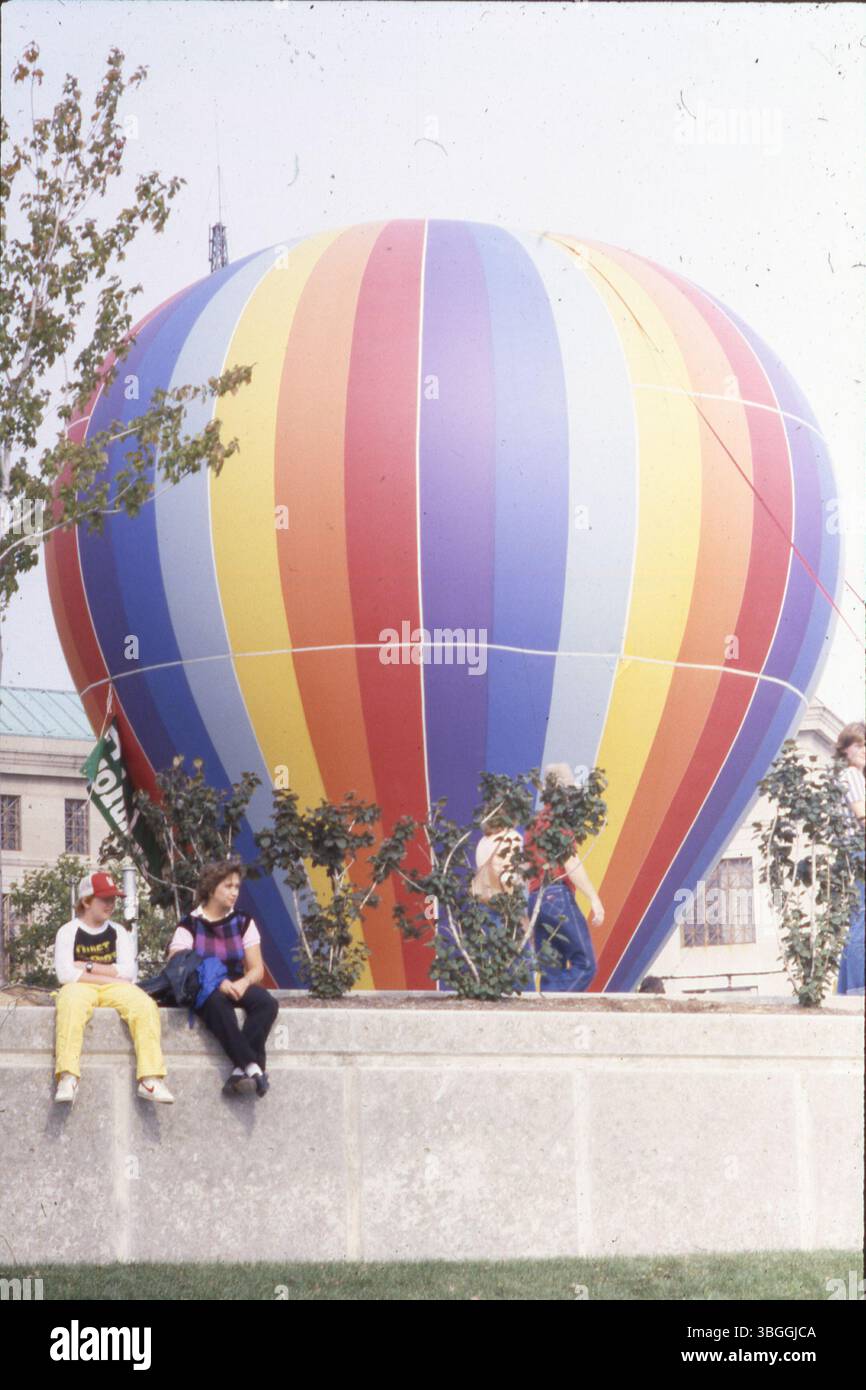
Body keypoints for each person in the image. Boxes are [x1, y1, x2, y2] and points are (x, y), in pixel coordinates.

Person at [53, 871, 173, 1105]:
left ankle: (150, 1079)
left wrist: (87, 966)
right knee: (70, 1003)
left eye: (113, 899)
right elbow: (65, 974)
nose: (111, 904)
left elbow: (129, 972)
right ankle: (68, 1076)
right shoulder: (68, 931)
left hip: (104, 986)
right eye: (104, 899)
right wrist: (112, 976)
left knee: (144, 1004)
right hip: (81, 988)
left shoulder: (118, 931)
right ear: (86, 901)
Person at [168, 860, 278, 1095]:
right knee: (217, 1005)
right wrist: (219, 983)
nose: (234, 892)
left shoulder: (243, 922)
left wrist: (244, 982)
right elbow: (179, 964)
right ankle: (253, 1066)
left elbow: (257, 968)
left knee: (266, 1003)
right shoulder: (189, 925)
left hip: (237, 980)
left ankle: (240, 1070)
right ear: (211, 888)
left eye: (237, 887)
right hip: (205, 987)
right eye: (228, 886)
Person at [524, 763, 605, 992]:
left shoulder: (533, 824)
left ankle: (548, 1013)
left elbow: (525, 868)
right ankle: (557, 1004)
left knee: (551, 971)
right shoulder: (557, 822)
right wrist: (594, 898)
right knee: (585, 965)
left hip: (535, 897)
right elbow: (570, 863)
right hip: (557, 894)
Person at [836, 721, 865, 996]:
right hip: (861, 851)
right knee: (862, 919)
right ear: (846, 749)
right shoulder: (853, 776)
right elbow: (863, 817)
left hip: (852, 853)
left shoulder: (850, 777)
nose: (864, 749)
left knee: (857, 917)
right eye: (858, 744)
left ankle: (846, 989)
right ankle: (859, 988)